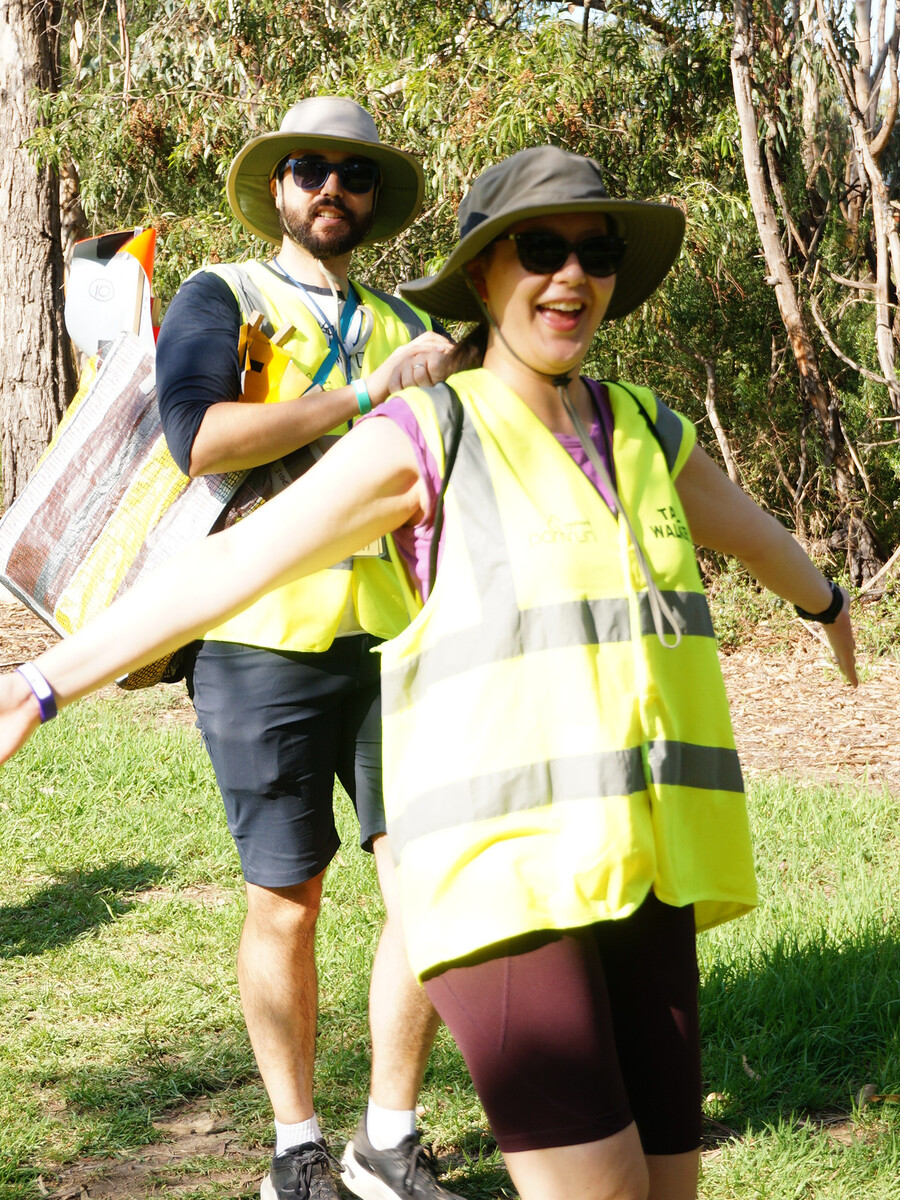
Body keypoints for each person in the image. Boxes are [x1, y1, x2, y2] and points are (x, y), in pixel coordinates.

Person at [1, 146, 857, 1200]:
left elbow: (752, 531)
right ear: (484, 273)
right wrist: (48, 681)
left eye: (596, 252)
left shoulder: (642, 429)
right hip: (503, 883)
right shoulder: (426, 434)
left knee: (668, 1189)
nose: (573, 275)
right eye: (541, 249)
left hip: (644, 865)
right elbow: (229, 564)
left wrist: (828, 603)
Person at [153, 96, 459, 1200]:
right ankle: (296, 1148)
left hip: (398, 639)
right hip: (257, 638)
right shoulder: (223, 294)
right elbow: (200, 436)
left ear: (374, 200)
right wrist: (369, 392)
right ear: (278, 188)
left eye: (356, 174)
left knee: (428, 880)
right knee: (289, 896)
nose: (334, 187)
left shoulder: (397, 315)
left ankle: (389, 1136)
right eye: (311, 169)